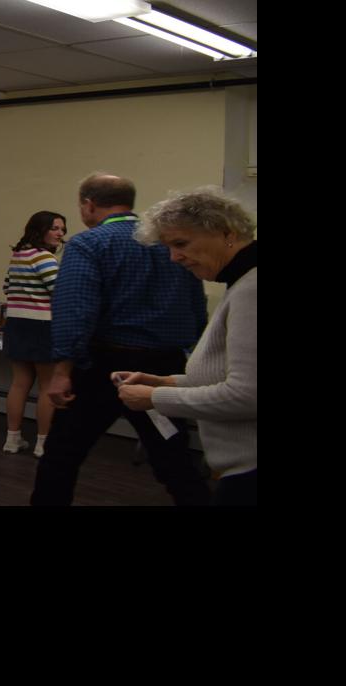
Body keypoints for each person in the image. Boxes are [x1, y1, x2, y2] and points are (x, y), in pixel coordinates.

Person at [30, 173, 210, 507]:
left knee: (62, 456)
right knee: (173, 457)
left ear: (89, 204)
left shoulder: (89, 244)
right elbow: (196, 307)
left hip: (104, 366)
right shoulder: (170, 244)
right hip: (162, 367)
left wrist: (61, 370)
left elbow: (76, 310)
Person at [114, 188, 257, 506]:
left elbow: (246, 396)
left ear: (227, 234)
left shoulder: (251, 290)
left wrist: (155, 397)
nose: (174, 257)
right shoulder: (241, 284)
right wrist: (164, 381)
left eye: (180, 244)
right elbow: (227, 376)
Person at [1, 210, 66, 457]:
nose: (60, 234)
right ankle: (43, 443)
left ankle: (12, 439)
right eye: (55, 228)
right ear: (40, 230)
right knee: (47, 385)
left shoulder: (18, 255)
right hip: (42, 326)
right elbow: (59, 293)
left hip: (17, 325)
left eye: (62, 229)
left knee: (19, 384)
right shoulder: (45, 258)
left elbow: (7, 287)